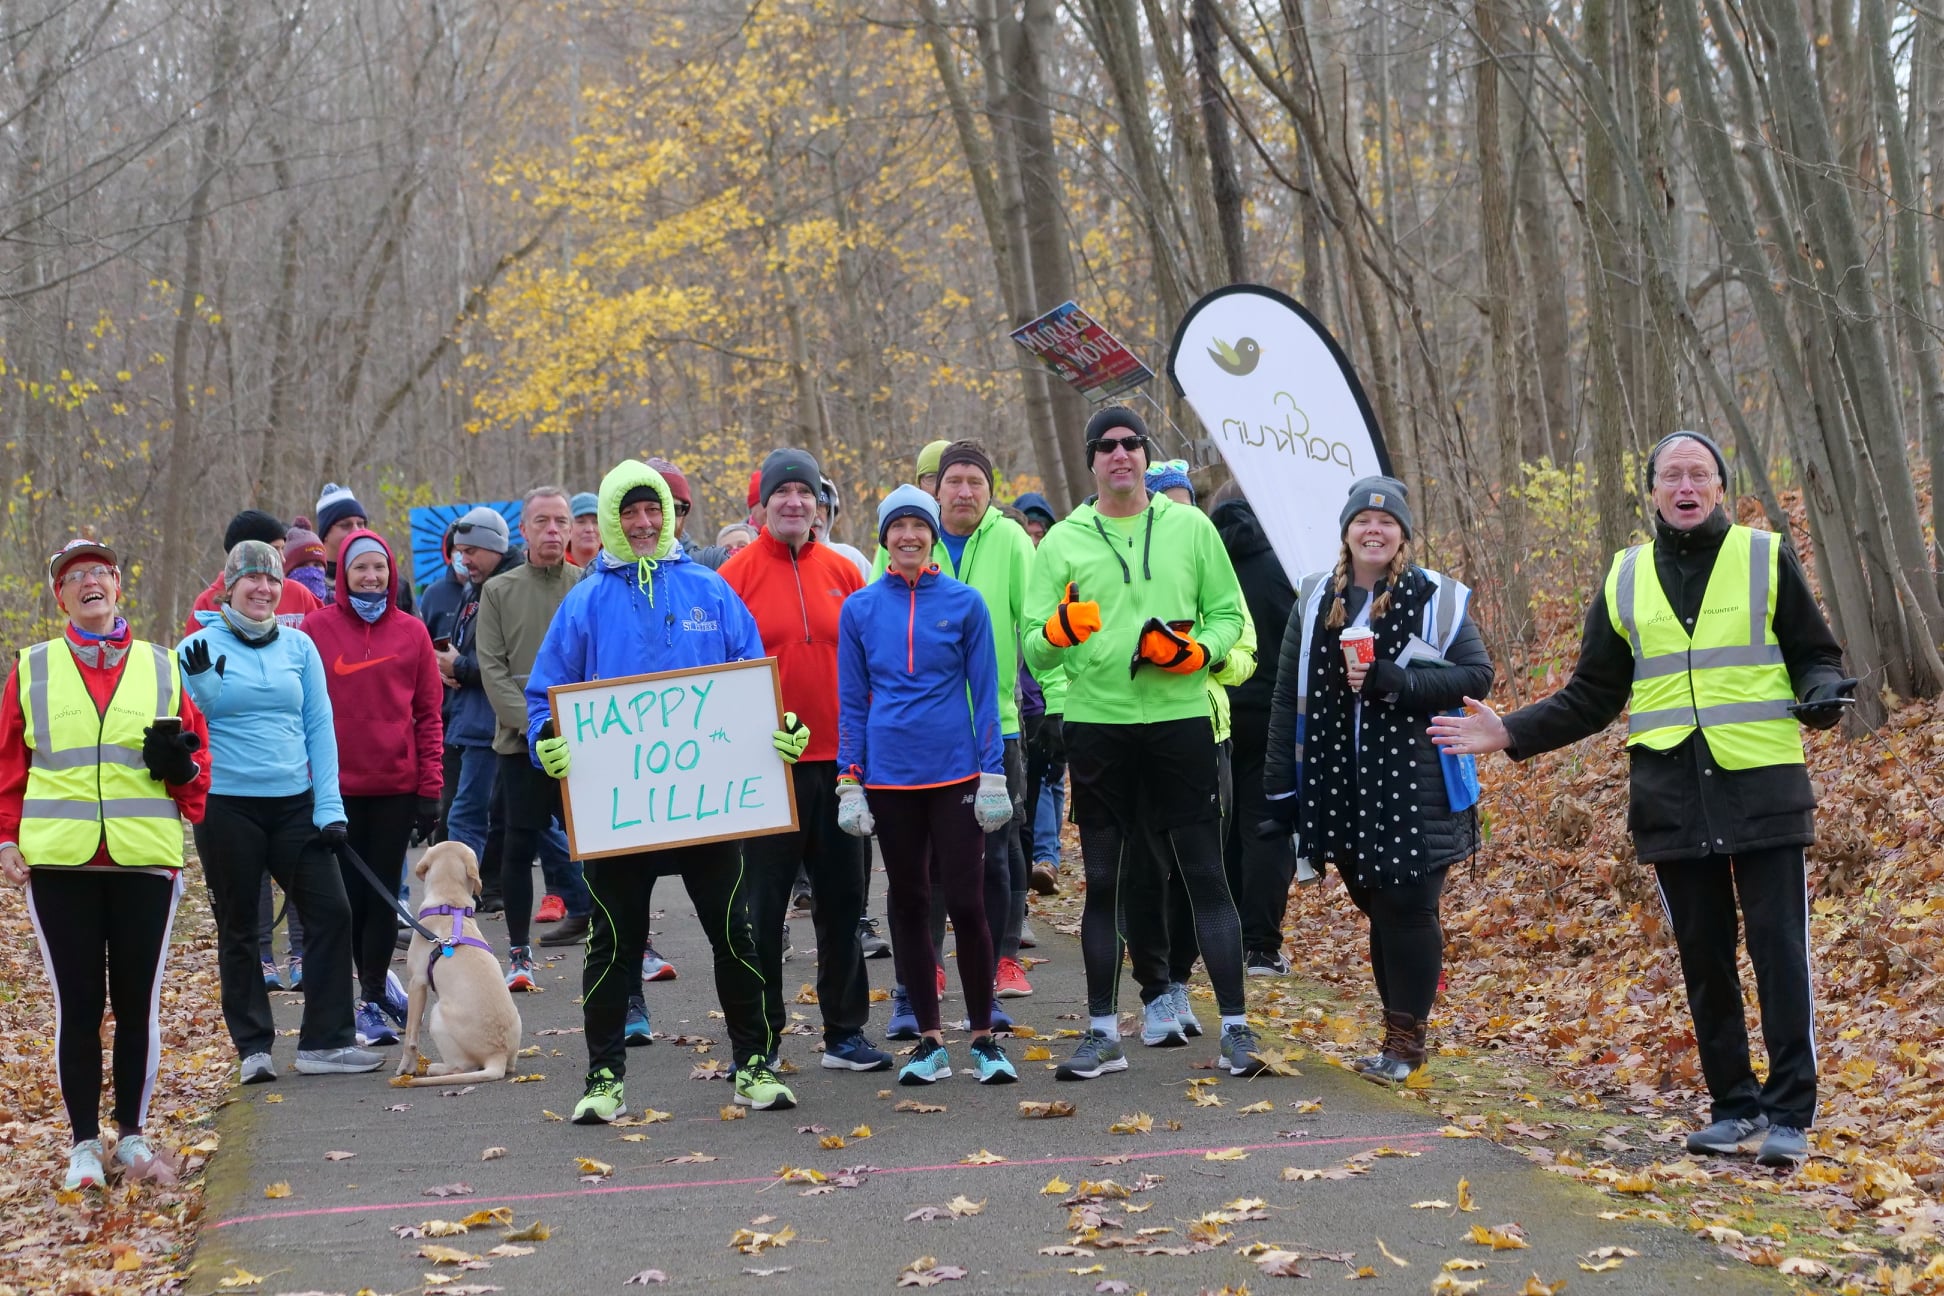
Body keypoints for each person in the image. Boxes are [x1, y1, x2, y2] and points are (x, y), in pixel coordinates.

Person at [1431, 431, 1849, 1166]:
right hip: (1672, 796)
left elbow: (1814, 654)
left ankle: (1789, 1113)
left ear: (1720, 487)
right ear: (1652, 491)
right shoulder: (1625, 577)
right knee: (1704, 959)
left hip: (1763, 789)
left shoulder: (1763, 556)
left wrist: (1819, 694)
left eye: (1698, 475)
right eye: (1670, 476)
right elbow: (1594, 694)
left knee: (1781, 954)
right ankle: (1733, 1108)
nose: (1685, 487)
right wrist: (1511, 731)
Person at [525, 458, 801, 1121]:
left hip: (710, 805)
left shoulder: (709, 590)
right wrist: (547, 744)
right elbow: (544, 697)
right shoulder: (584, 602)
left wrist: (780, 729)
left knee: (734, 934)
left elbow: (753, 678)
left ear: (672, 516)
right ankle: (603, 1080)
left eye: (655, 511)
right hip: (619, 810)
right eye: (631, 512)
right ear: (615, 521)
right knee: (613, 943)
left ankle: (754, 1064)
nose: (645, 524)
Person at [1022, 406, 1264, 1080]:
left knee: (1205, 875)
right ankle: (1102, 1033)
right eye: (1107, 446)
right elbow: (1034, 648)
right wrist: (1061, 632)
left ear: (1145, 456)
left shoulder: (1191, 528)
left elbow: (1230, 619)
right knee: (1105, 881)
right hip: (1100, 726)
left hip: (1181, 722)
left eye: (1132, 444)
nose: (1121, 455)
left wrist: (1198, 652)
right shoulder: (1064, 540)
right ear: (1091, 460)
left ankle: (1237, 1032)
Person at [1263, 476, 1493, 1084]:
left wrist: (1400, 682)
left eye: (1387, 522)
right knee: (1379, 906)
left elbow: (1477, 676)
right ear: (1346, 531)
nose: (1375, 529)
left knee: (1409, 906)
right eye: (1363, 520)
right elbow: (1288, 694)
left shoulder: (1435, 597)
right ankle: (1397, 1036)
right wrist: (1280, 785)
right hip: (1341, 784)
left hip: (1420, 779)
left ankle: (1406, 1045)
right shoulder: (1316, 598)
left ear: (1403, 535)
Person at [0, 539, 210, 1190]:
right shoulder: (31, 668)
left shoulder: (162, 666)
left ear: (120, 587)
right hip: (60, 865)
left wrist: (183, 770)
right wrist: (6, 839)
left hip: (144, 862)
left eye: (101, 573)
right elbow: (9, 765)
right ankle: (85, 1146)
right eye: (75, 576)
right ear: (60, 597)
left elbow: (197, 771)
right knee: (79, 1004)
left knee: (137, 1003)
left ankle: (134, 1137)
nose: (90, 582)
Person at [179, 541, 383, 1082]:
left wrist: (330, 807)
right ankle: (254, 1049)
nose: (263, 589)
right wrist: (202, 691)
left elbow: (320, 727)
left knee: (331, 913)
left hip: (295, 803)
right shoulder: (196, 648)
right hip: (226, 806)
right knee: (241, 927)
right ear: (229, 586)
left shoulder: (300, 646)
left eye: (271, 580)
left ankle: (326, 1043)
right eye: (251, 579)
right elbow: (191, 731)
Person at [837, 486, 1017, 1085]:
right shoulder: (860, 609)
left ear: (933, 535)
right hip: (889, 779)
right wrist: (849, 779)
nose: (909, 535)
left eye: (919, 525)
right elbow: (852, 702)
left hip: (957, 774)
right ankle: (929, 1041)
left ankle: (984, 1039)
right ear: (884, 537)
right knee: (909, 903)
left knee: (966, 903)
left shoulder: (965, 604)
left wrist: (993, 771)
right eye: (898, 527)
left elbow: (986, 693)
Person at [720, 449, 886, 1073]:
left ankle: (845, 1034)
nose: (794, 502)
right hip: (766, 771)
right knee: (761, 914)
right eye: (782, 492)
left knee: (844, 905)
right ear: (762, 505)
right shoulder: (732, 577)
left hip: (842, 770)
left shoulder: (846, 572)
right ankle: (759, 1041)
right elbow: (716, 677)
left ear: (820, 504)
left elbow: (874, 664)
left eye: (805, 492)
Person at [876, 440, 1038, 1009]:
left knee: (997, 848)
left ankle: (1004, 959)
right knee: (928, 858)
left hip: (997, 725)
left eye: (975, 481)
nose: (964, 491)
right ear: (935, 489)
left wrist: (1058, 701)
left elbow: (1035, 620)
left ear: (990, 492)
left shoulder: (1013, 540)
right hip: (919, 733)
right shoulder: (909, 534)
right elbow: (879, 612)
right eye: (954, 482)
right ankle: (931, 967)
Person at [301, 529, 444, 1047]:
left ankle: (370, 998)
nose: (371, 576)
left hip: (394, 788)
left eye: (379, 568)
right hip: (333, 791)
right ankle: (347, 998)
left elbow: (429, 715)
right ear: (343, 573)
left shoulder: (412, 633)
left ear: (392, 573)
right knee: (342, 902)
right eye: (360, 567)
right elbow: (300, 713)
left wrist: (430, 788)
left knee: (382, 899)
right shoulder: (316, 629)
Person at [476, 488, 596, 994]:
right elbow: (493, 670)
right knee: (519, 844)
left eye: (561, 522)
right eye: (542, 521)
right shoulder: (498, 591)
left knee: (600, 847)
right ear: (522, 530)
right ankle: (519, 953)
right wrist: (537, 725)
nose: (552, 530)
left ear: (571, 531)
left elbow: (600, 659)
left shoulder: (587, 585)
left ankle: (622, 939)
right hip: (521, 744)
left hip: (584, 744)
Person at [1207, 483, 1300, 976]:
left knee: (1222, 825)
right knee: (1267, 825)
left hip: (1214, 708)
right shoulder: (1283, 565)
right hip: (1271, 713)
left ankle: (1221, 936)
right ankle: (1260, 946)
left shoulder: (1203, 564)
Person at [437, 506, 520, 894]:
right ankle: (577, 897)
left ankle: (455, 901)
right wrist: (449, 670)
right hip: (471, 718)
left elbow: (509, 662)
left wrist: (463, 668)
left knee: (471, 815)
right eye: (459, 550)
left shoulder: (508, 588)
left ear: (494, 547)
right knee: (522, 816)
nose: (463, 558)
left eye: (470, 550)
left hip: (496, 721)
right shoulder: (473, 589)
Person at [184, 510, 319, 636]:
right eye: (275, 549)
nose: (283, 559)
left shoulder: (300, 595)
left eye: (283, 549)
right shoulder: (206, 604)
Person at [814, 475, 874, 581]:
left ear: (831, 512)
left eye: (821, 506)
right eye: (805, 507)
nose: (814, 515)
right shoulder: (777, 563)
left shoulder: (850, 558)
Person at [282, 527, 331, 603]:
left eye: (317, 565)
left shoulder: (337, 604)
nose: (311, 572)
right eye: (303, 565)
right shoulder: (278, 605)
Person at [567, 493, 602, 568]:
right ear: (568, 527)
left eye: (595, 522)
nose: (589, 529)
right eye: (581, 522)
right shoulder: (555, 565)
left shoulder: (617, 566)